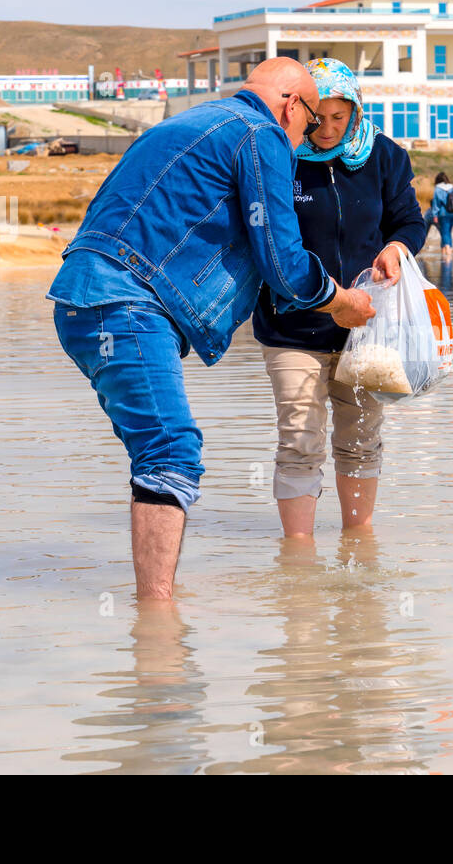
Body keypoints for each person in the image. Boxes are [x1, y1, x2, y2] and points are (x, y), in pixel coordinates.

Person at [47, 56, 375, 601]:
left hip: (80, 304)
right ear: (292, 105)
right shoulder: (260, 133)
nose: (307, 141)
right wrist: (340, 301)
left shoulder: (182, 125)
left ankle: (156, 617)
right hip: (126, 305)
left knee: (156, 448)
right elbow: (284, 263)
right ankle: (157, 631)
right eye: (310, 124)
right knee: (170, 451)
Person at [252, 58, 426, 538]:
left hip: (367, 328)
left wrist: (396, 247)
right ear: (300, 110)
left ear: (356, 110)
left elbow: (410, 221)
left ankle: (359, 543)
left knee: (360, 439)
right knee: (299, 441)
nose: (326, 129)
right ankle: (299, 557)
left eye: (338, 117)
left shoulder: (385, 156)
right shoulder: (276, 157)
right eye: (317, 117)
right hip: (290, 328)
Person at [425, 171, 453, 262]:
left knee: (445, 233)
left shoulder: (438, 189)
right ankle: (445, 252)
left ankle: (448, 254)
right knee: (448, 233)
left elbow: (436, 204)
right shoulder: (452, 187)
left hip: (443, 214)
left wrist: (435, 215)